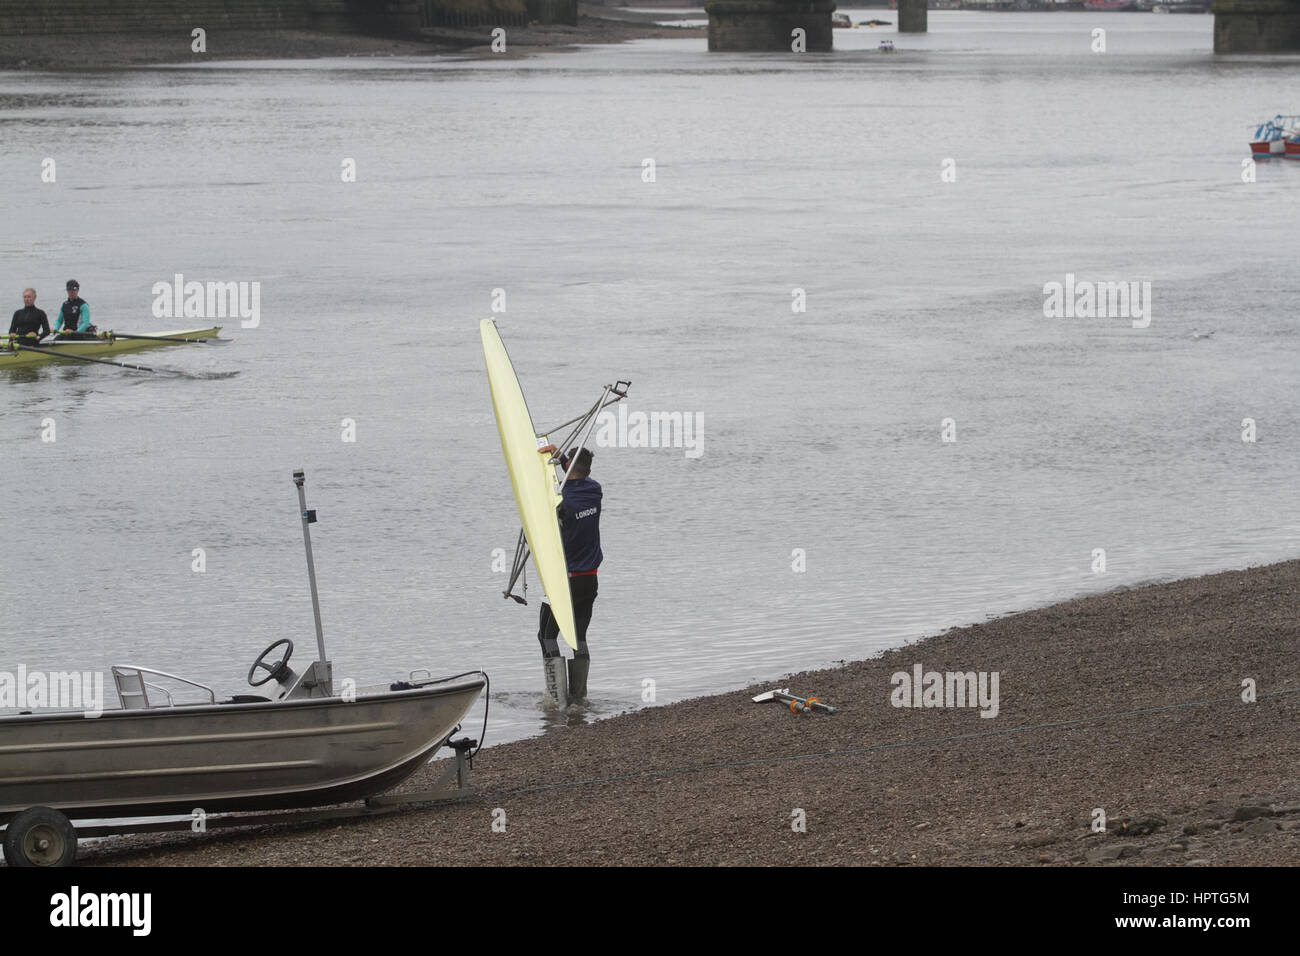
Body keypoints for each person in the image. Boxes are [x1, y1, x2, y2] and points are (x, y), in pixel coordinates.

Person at [535, 445, 602, 701]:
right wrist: (562, 456)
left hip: (565, 582)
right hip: (589, 580)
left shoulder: (560, 500)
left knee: (547, 636)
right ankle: (578, 698)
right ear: (589, 470)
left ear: (566, 469)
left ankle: (557, 700)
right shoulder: (595, 491)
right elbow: (574, 469)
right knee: (578, 638)